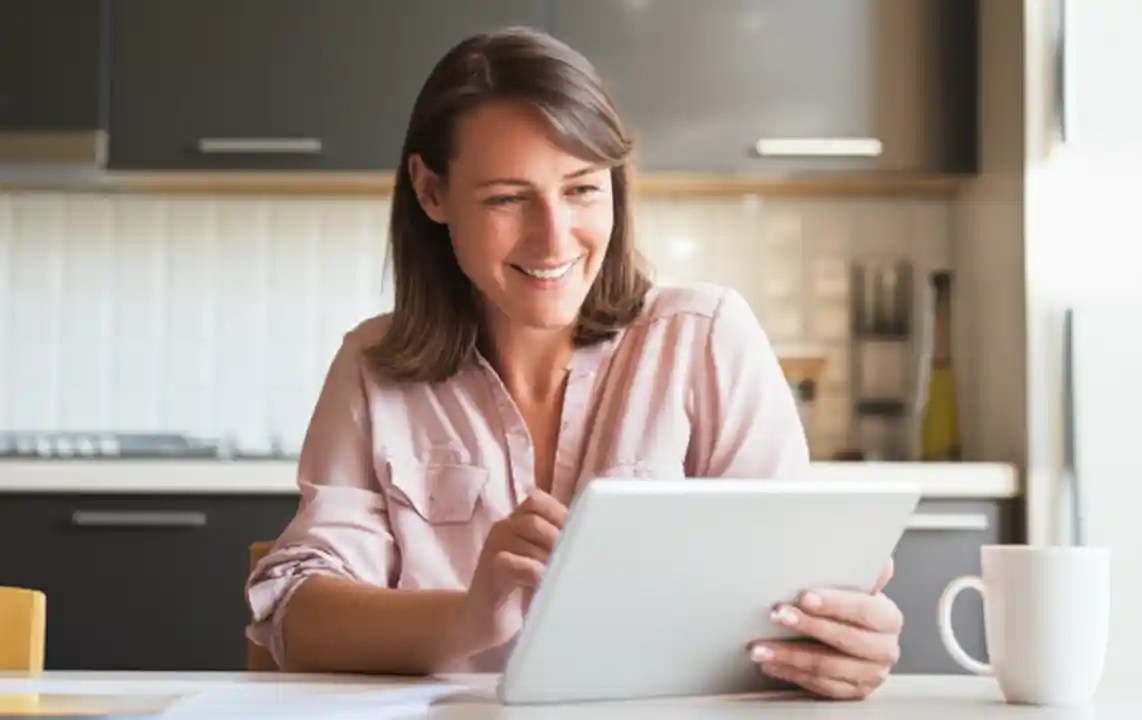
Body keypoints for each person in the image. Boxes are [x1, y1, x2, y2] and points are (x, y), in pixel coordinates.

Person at [246, 27, 903, 701]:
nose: (554, 238)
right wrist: (470, 614)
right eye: (507, 198)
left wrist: (840, 644)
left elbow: (791, 601)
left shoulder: (706, 339)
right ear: (431, 191)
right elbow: (297, 615)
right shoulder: (372, 367)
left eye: (582, 190)